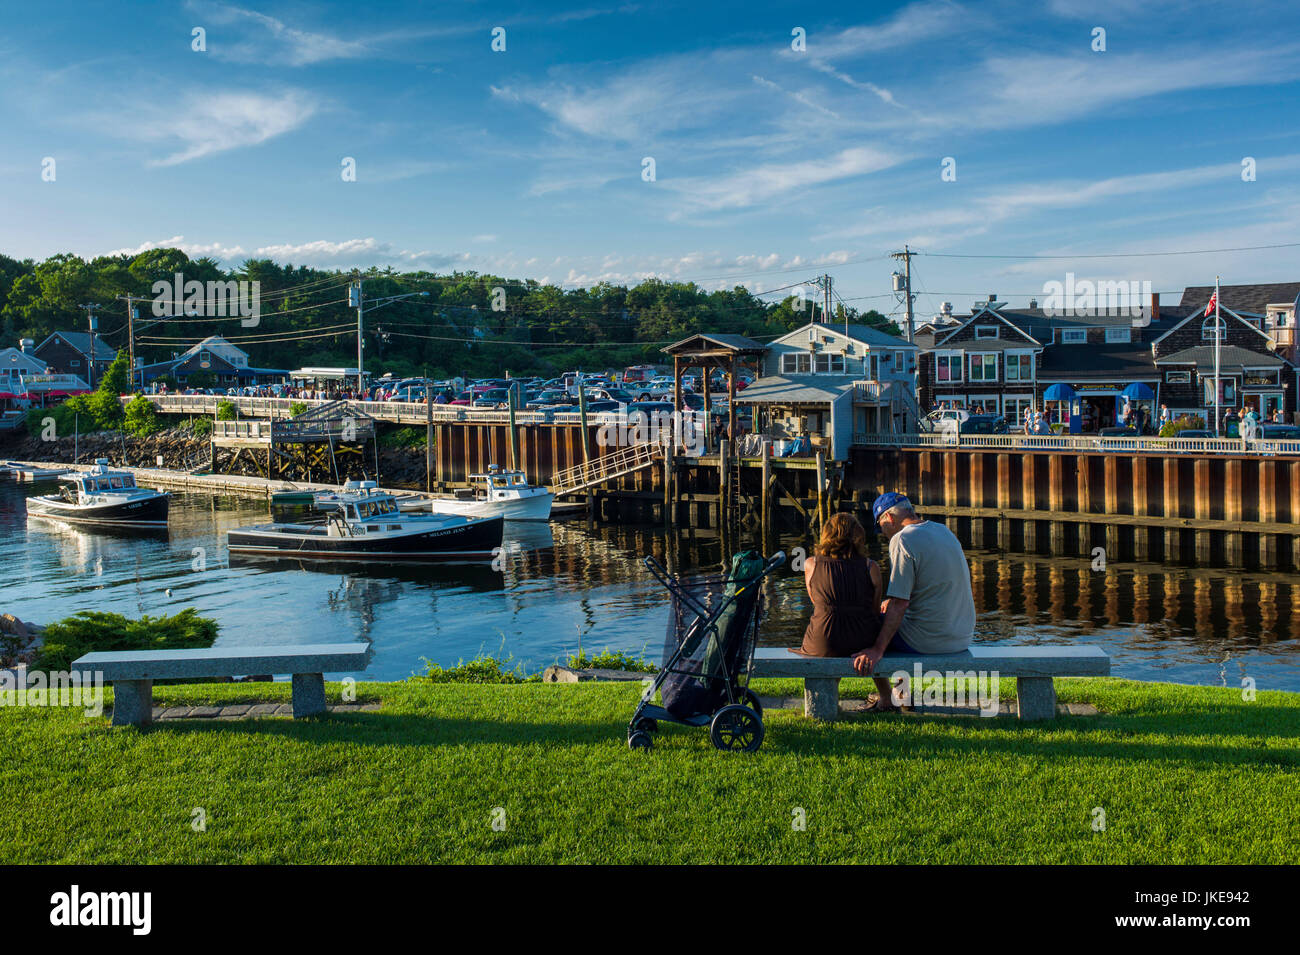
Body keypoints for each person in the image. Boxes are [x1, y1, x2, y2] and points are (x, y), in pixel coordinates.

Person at [851, 493, 976, 709]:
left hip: (930, 641)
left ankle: (886, 699)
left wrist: (877, 650)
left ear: (889, 518)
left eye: (881, 526)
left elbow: (900, 604)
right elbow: (924, 592)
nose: (883, 533)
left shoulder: (902, 539)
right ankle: (902, 692)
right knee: (898, 618)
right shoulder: (943, 531)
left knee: (865, 625)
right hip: (962, 636)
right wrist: (891, 604)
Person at [797, 512, 884, 662]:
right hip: (863, 641)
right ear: (858, 535)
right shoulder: (871, 567)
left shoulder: (811, 564)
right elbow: (875, 610)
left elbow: (817, 603)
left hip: (822, 643)